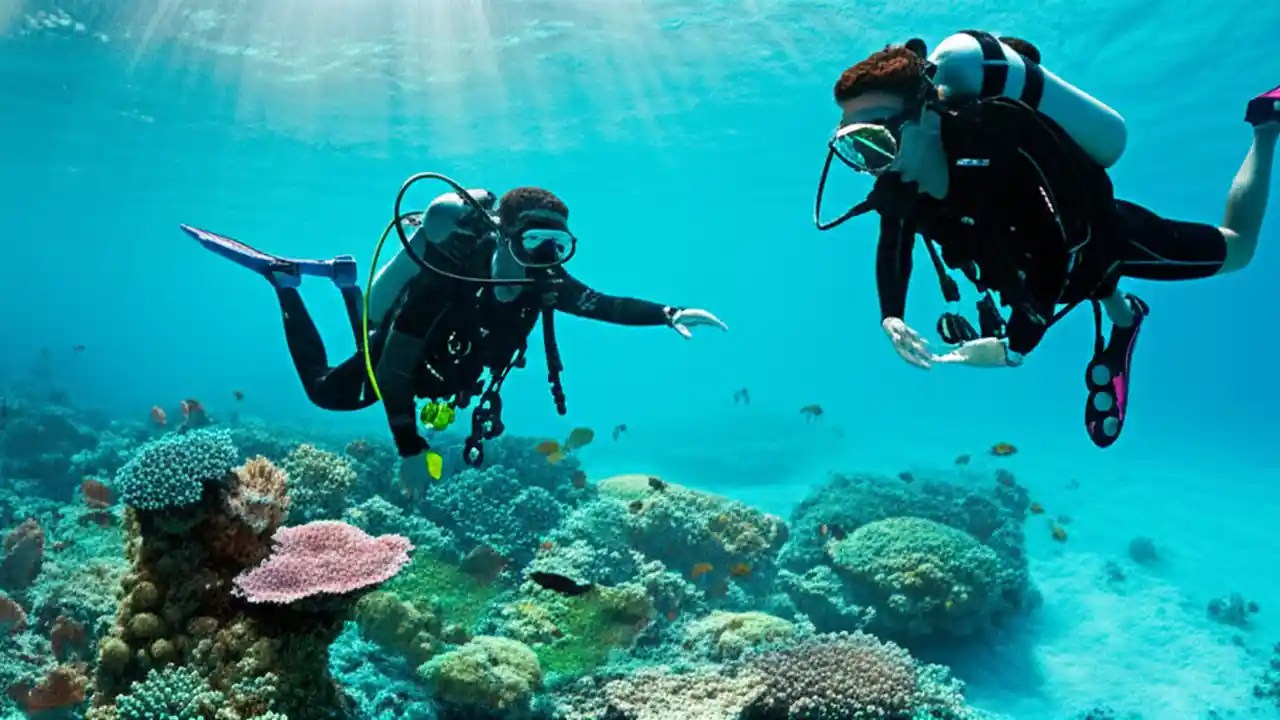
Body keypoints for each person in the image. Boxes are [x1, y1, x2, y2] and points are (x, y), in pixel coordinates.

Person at [814, 30, 1278, 447]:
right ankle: (1124, 319)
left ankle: (1265, 126)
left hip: (1100, 241)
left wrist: (1014, 347)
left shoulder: (998, 141)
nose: (875, 165)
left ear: (927, 119)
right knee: (1090, 286)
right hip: (1031, 258)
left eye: (877, 141)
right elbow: (893, 242)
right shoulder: (901, 184)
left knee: (1237, 248)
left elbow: (1056, 250)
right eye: (855, 148)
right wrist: (890, 315)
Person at [182, 182, 727, 475]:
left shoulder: (546, 281)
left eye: (557, 247)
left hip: (441, 373)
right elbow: (394, 370)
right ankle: (285, 284)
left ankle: (347, 286)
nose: (545, 259)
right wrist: (410, 448)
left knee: (370, 348)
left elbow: (602, 303)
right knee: (331, 395)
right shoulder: (449, 278)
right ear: (507, 233)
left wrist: (668, 313)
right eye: (535, 242)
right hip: (410, 360)